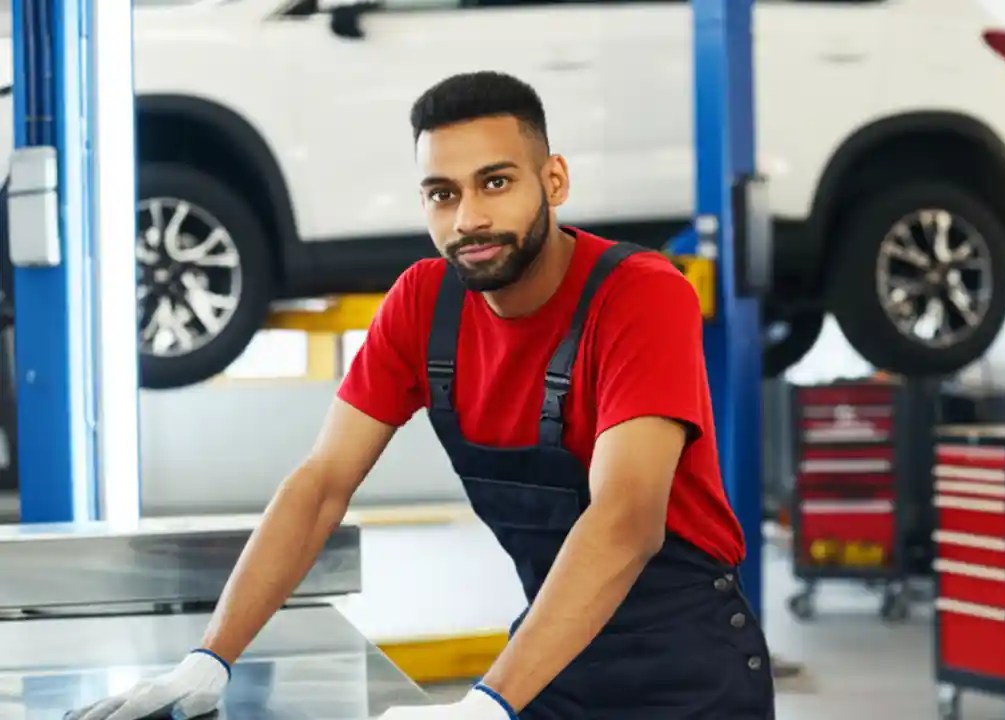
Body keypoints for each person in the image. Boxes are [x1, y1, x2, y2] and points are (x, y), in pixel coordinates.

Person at [65, 70, 775, 720]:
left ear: (553, 181)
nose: (467, 218)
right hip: (552, 662)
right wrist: (208, 659)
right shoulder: (423, 304)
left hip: (689, 675)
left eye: (495, 183)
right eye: (443, 193)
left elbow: (627, 519)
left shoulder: (640, 295)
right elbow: (321, 485)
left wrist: (486, 707)